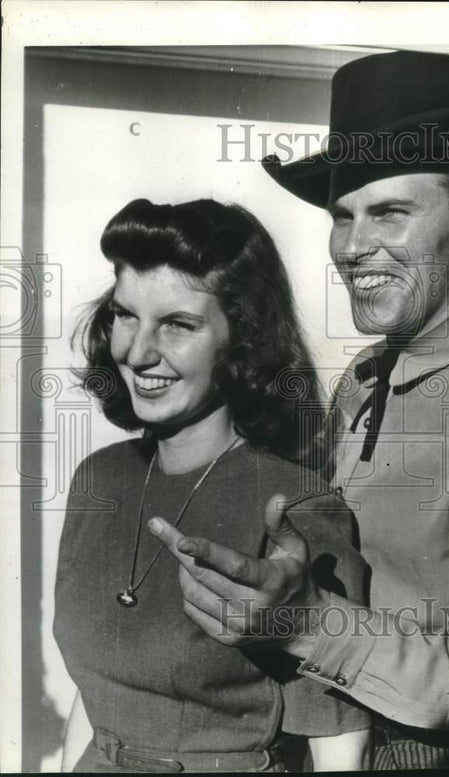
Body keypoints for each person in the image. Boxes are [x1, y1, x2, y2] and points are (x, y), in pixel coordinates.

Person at [151, 50, 449, 769]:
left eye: (389, 212)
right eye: (341, 215)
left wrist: (312, 624)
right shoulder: (366, 375)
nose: (352, 246)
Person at [53, 198, 371, 772]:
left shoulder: (297, 508)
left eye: (178, 324)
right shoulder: (99, 478)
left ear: (242, 339)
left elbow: (336, 740)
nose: (136, 352)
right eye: (126, 316)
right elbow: (98, 693)